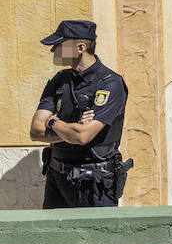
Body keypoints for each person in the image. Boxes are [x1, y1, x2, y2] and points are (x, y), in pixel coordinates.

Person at [28, 20, 131, 208]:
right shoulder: (60, 81)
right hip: (57, 179)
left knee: (96, 229)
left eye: (59, 45)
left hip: (94, 184)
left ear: (80, 48)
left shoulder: (110, 84)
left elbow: (83, 136)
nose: (53, 50)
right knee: (54, 228)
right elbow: (35, 131)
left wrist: (53, 122)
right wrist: (72, 129)